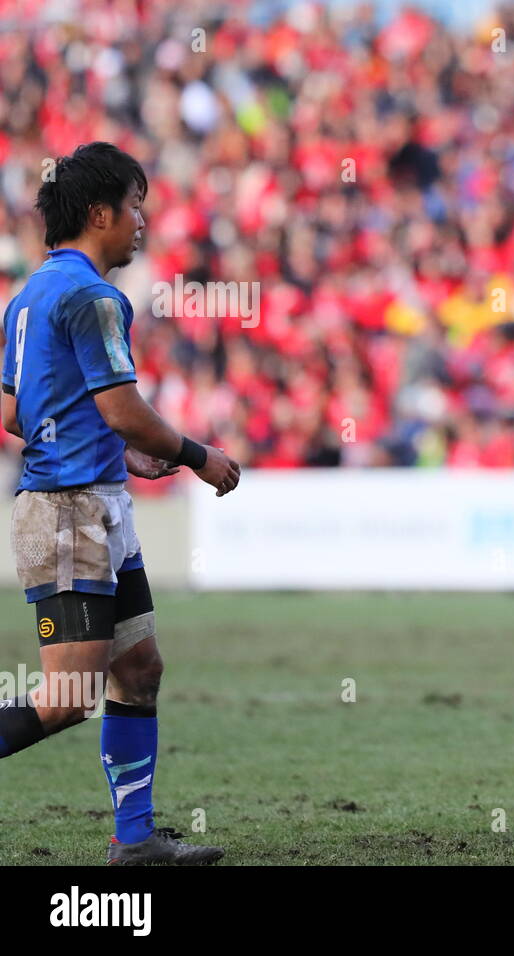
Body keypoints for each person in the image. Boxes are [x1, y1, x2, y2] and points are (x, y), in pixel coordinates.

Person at [0, 142, 240, 864]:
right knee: (70, 696)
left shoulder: (29, 296)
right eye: (135, 206)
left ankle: (134, 842)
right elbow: (123, 405)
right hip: (70, 514)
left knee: (139, 671)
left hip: (96, 502)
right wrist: (196, 456)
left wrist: (116, 449)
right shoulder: (96, 298)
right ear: (99, 212)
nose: (142, 221)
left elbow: (15, 412)